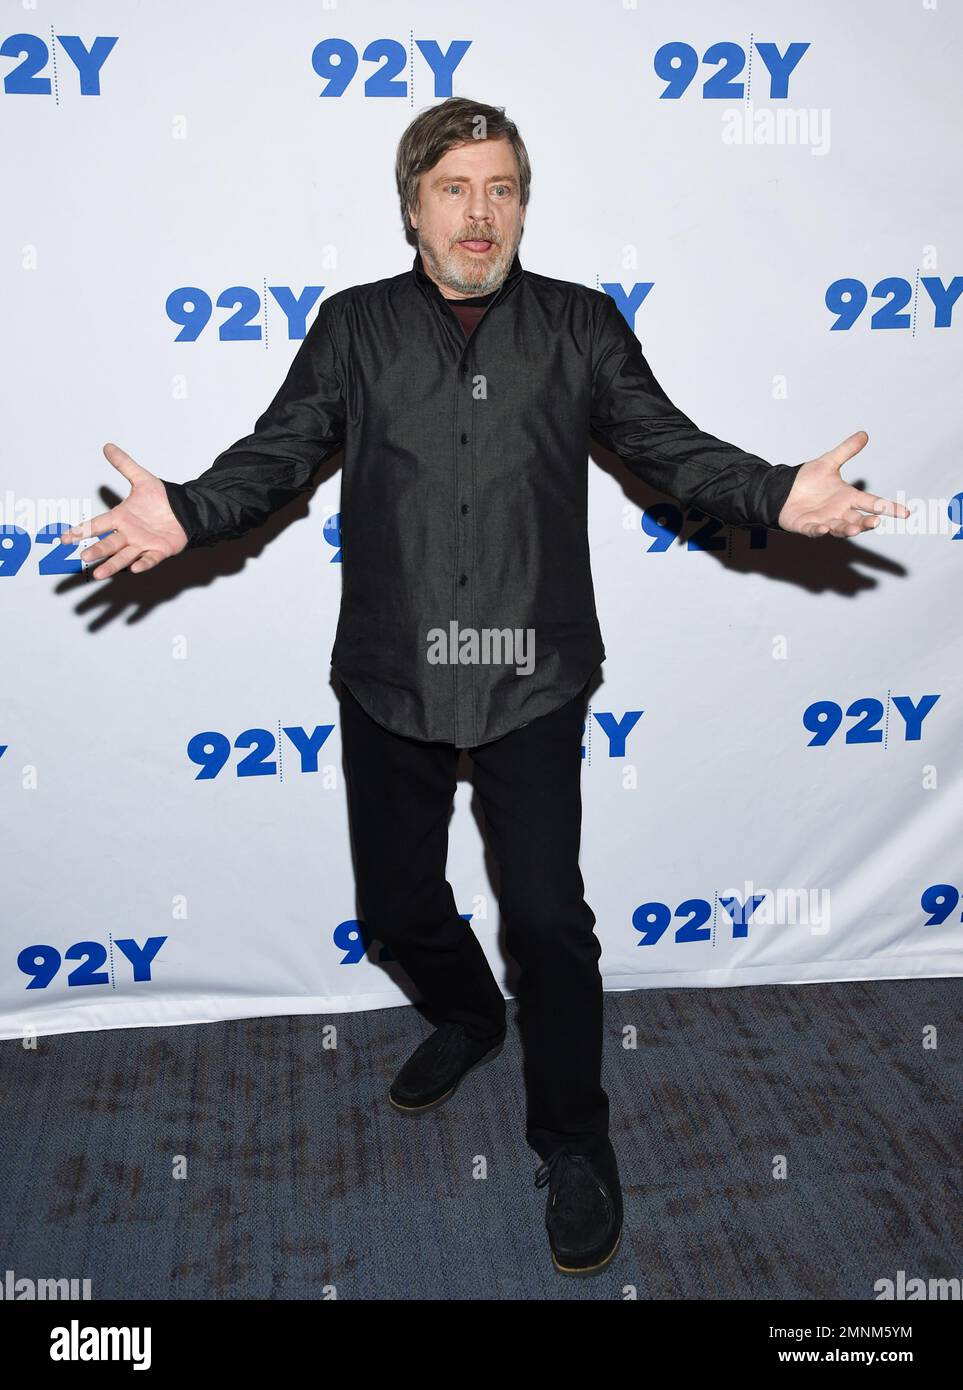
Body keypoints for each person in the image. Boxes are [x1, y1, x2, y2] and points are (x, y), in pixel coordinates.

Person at [58, 97, 909, 1276]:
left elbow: (667, 445)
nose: (479, 211)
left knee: (552, 921)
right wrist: (189, 508)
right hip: (393, 675)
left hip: (531, 674)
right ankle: (467, 1013)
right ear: (412, 205)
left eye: (501, 187)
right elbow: (280, 451)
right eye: (454, 187)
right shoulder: (354, 328)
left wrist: (772, 494)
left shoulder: (579, 327)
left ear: (523, 205)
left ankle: (573, 1140)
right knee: (398, 904)